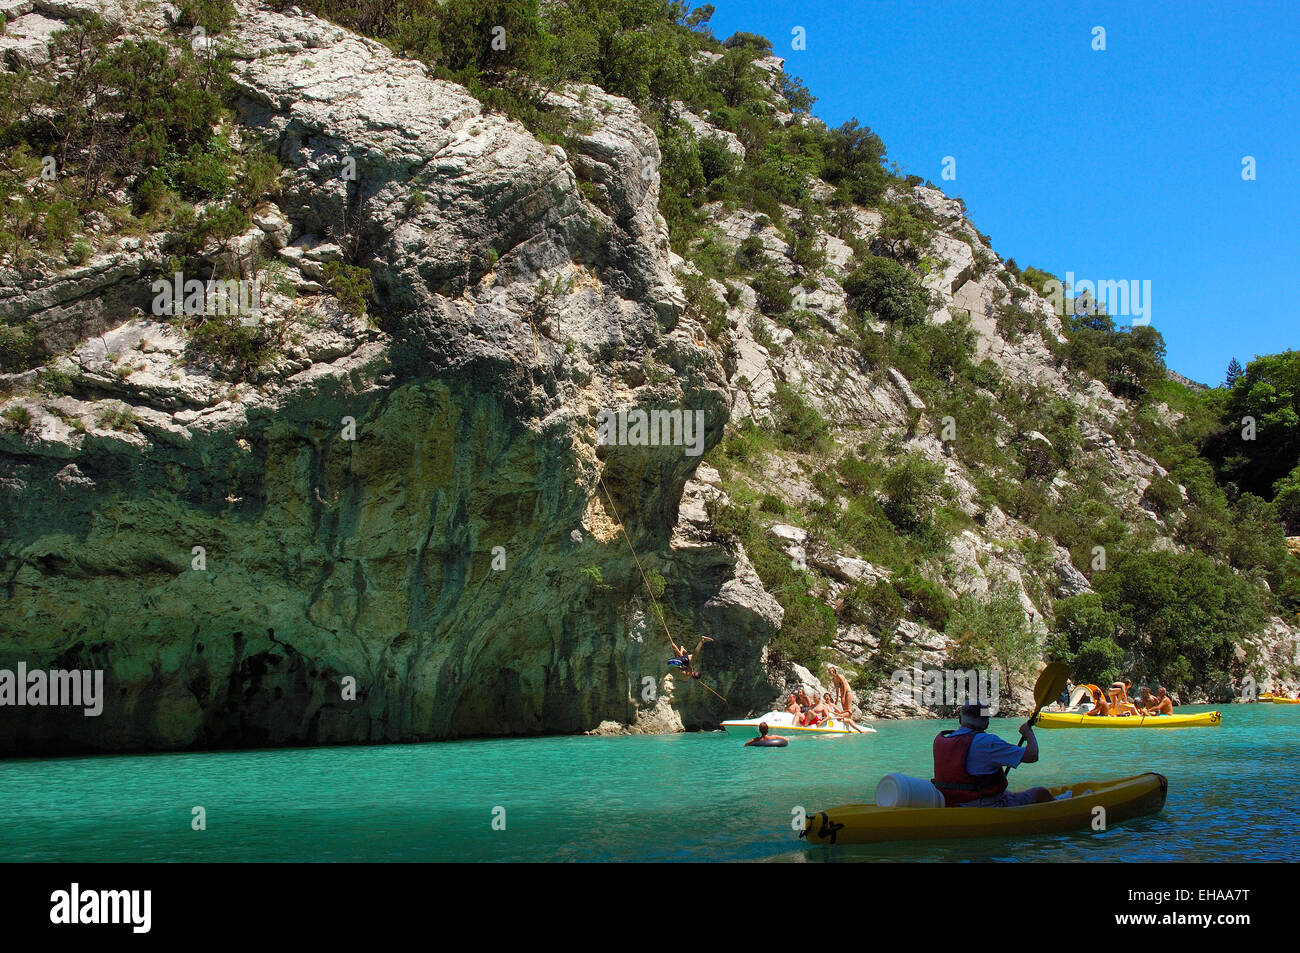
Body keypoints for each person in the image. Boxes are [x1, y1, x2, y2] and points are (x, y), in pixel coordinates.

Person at [932, 703, 1053, 808]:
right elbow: (1032, 756)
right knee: (1041, 792)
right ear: (986, 724)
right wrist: (1028, 733)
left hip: (948, 799)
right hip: (980, 804)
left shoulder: (942, 739)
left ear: (959, 719)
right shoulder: (988, 742)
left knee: (1009, 793)